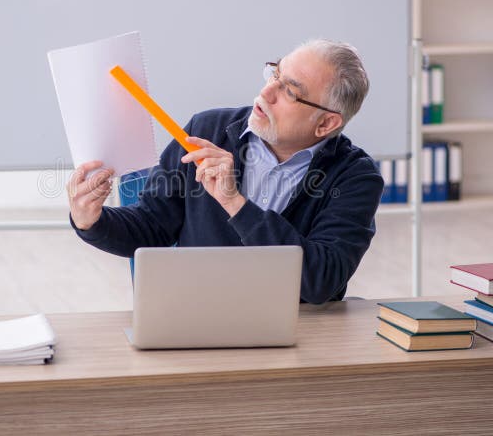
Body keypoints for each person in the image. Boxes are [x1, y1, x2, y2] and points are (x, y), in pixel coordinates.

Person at [67, 39, 383, 304]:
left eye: (290, 92)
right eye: (275, 73)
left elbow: (321, 280)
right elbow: (151, 227)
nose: (267, 92)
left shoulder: (355, 177)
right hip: (197, 320)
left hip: (300, 333)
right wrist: (91, 220)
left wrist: (235, 202)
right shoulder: (206, 130)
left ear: (326, 123)